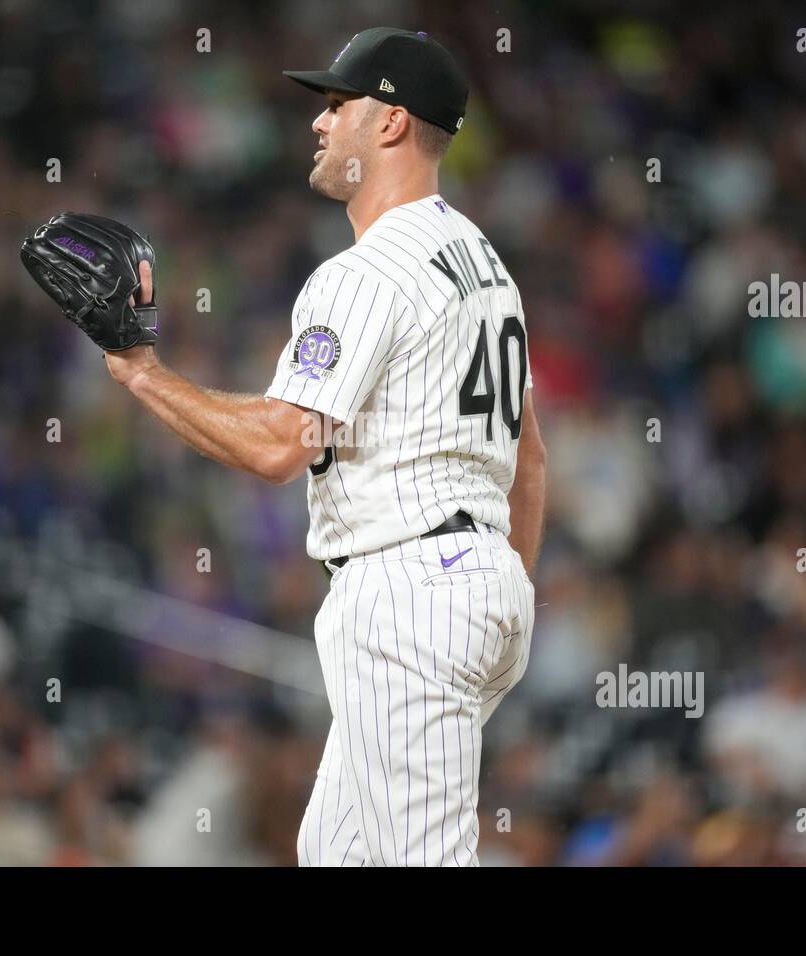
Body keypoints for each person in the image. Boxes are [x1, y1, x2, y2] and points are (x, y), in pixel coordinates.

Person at [53, 27, 546, 866]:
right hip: (479, 581)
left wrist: (142, 373)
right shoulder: (483, 264)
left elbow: (282, 446)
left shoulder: (364, 272)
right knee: (335, 852)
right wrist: (498, 590)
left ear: (389, 123)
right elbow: (527, 459)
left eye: (336, 105)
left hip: (409, 592)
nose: (319, 125)